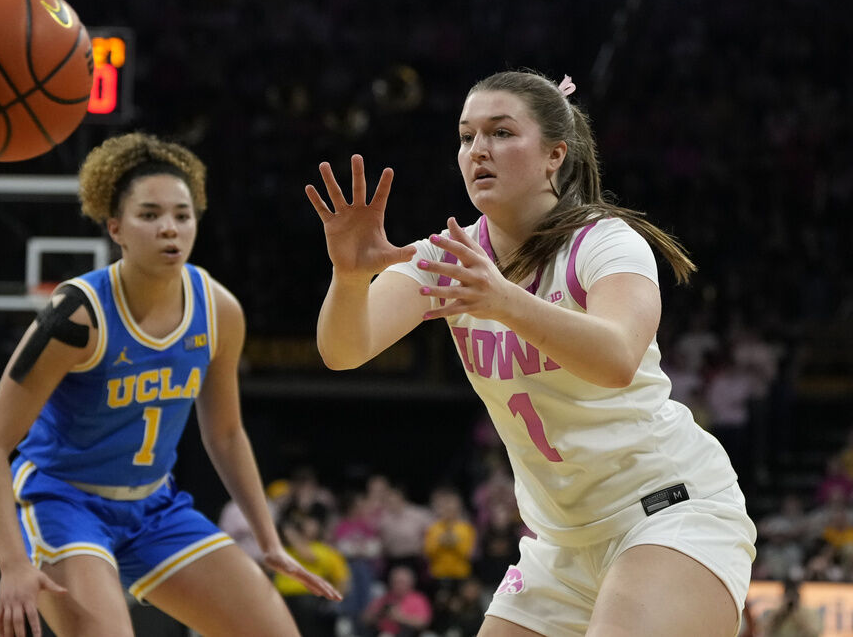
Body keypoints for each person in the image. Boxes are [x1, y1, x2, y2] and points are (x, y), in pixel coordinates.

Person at [306, 69, 757, 636]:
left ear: (554, 156)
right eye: (467, 137)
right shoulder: (448, 258)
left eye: (500, 133)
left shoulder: (607, 242)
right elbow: (344, 351)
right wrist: (348, 279)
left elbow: (617, 358)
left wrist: (504, 300)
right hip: (559, 542)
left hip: (668, 512)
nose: (478, 151)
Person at [0, 132, 341, 637]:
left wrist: (268, 539)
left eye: (182, 215)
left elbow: (226, 435)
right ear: (115, 227)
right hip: (66, 504)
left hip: (154, 507)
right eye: (150, 215)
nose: (170, 228)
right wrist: (12, 563)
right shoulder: (77, 315)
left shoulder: (219, 310)